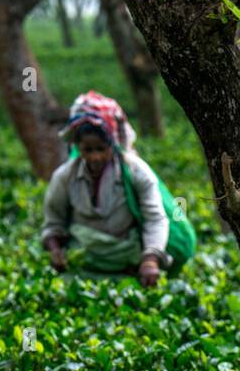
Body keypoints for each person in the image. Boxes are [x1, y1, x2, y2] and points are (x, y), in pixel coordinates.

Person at [41, 91, 170, 285]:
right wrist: (55, 251)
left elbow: (155, 219)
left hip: (129, 266)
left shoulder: (136, 172)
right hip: (81, 270)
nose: (95, 157)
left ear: (114, 143)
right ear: (77, 146)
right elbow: (53, 222)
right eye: (88, 150)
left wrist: (150, 260)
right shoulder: (64, 176)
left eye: (101, 149)